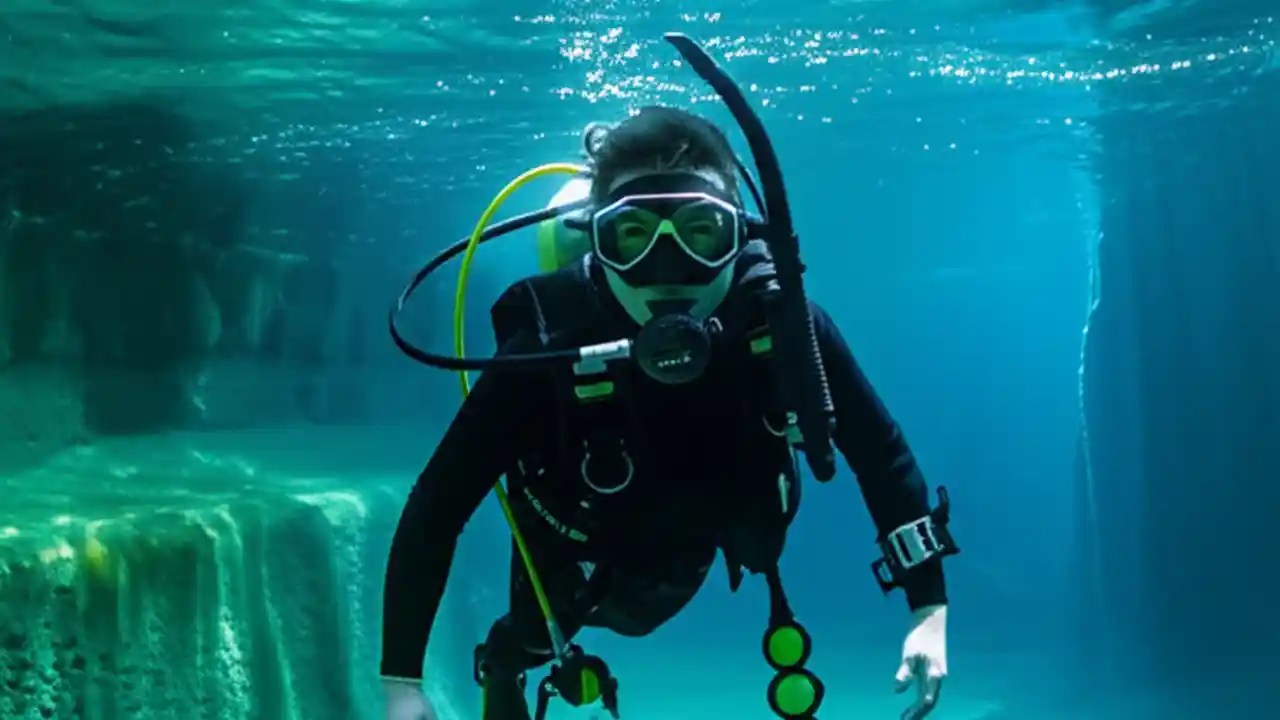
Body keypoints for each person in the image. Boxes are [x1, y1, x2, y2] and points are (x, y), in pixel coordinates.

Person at [380, 106, 955, 720]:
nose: (666, 268)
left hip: (704, 540)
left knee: (637, 606)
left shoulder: (783, 328)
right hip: (581, 547)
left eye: (700, 231)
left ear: (742, 238)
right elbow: (437, 505)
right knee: (536, 633)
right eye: (632, 234)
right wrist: (402, 685)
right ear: (597, 244)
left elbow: (880, 454)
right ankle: (502, 664)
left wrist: (929, 610)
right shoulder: (549, 348)